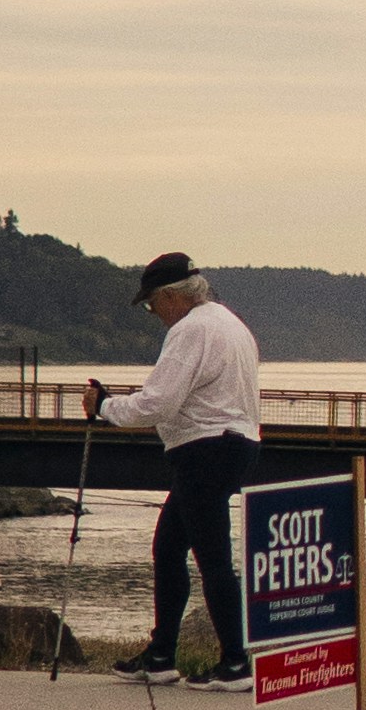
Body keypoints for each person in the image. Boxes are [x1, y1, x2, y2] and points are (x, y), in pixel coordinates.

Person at [84, 254, 262, 680]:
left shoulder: (189, 330)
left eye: (151, 304)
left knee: (212, 558)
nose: (154, 313)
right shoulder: (230, 323)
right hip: (236, 443)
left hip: (205, 449)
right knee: (168, 549)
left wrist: (105, 406)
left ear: (170, 296)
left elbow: (158, 403)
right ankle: (162, 654)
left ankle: (236, 662)